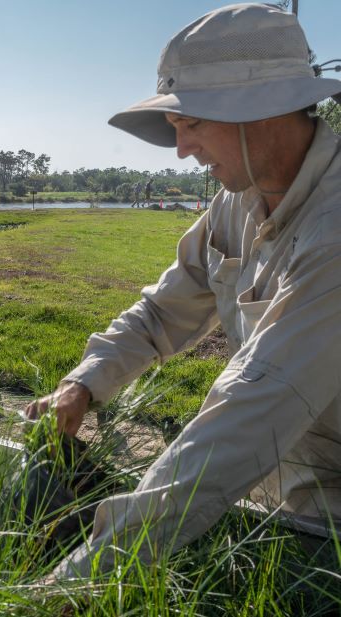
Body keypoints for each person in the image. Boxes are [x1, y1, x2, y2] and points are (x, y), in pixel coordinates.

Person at [24, 3, 341, 582]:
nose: (181, 150)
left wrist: (90, 571)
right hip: (276, 487)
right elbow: (162, 309)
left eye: (191, 124)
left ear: (262, 110)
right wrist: (85, 382)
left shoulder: (334, 228)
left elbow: (255, 406)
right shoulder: (235, 204)